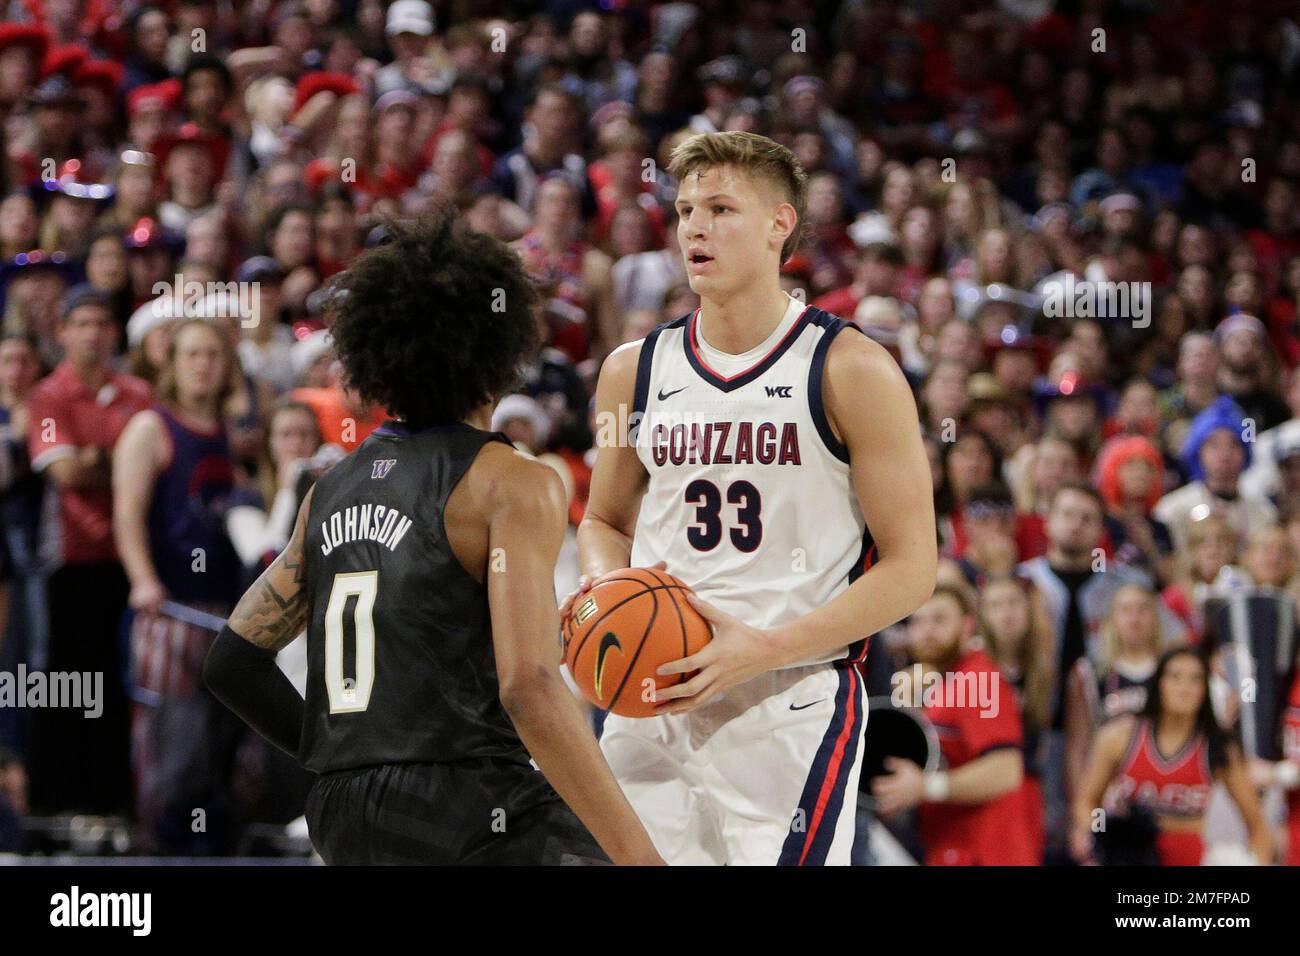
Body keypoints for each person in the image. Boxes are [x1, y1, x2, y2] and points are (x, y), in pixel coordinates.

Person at [204, 215, 662, 866]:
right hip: (468, 799)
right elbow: (529, 688)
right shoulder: (510, 481)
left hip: (342, 811)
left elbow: (232, 664)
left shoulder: (329, 490)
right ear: (498, 351)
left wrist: (339, 758)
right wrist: (641, 855)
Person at [568, 130, 937, 865]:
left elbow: (912, 568)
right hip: (650, 699)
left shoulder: (851, 367)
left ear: (780, 225)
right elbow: (604, 521)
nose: (695, 227)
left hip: (786, 701)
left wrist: (759, 650)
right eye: (684, 210)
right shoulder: (632, 371)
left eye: (721, 208)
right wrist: (605, 591)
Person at [113, 318, 245, 853]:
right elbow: (128, 512)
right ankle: (160, 849)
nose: (202, 364)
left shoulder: (232, 434)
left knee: (229, 746)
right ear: (173, 363)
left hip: (227, 609)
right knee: (173, 741)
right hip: (169, 610)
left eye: (213, 354)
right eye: (192, 353)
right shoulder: (151, 427)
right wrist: (143, 581)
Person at [25, 286, 153, 816]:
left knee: (124, 686)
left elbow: (149, 467)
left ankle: (115, 805)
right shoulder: (48, 398)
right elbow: (64, 472)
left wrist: (98, 457)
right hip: (70, 562)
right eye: (82, 324)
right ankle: (56, 806)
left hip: (131, 559)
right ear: (63, 332)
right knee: (68, 683)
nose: (93, 334)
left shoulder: (138, 394)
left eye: (102, 323)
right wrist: (119, 460)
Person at [874, 585, 1041, 865]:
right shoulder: (947, 681)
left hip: (988, 850)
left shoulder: (978, 680)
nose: (927, 630)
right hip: (953, 843)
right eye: (918, 621)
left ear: (967, 625)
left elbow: (1005, 769)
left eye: (939, 620)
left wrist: (925, 787)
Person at [1071, 647, 1272, 866]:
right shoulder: (1120, 736)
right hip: (1127, 858)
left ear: (1205, 689)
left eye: (1195, 680)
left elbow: (1256, 825)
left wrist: (1256, 861)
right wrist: (1103, 834)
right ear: (1159, 684)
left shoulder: (1218, 746)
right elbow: (1088, 801)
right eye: (1175, 677)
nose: (1184, 688)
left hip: (1188, 858)